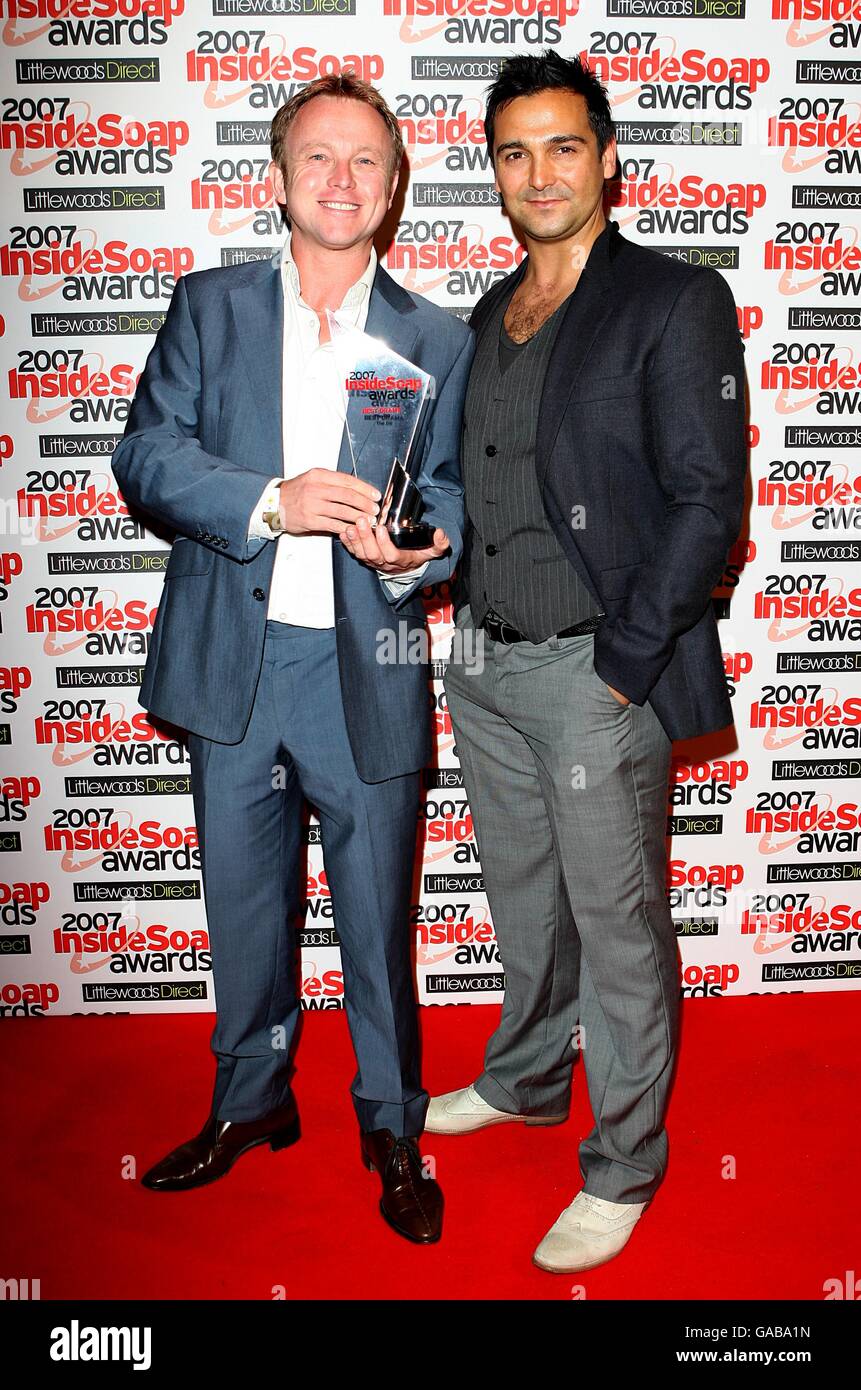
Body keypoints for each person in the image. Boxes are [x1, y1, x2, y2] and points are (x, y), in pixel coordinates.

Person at [111, 72, 474, 1245]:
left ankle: (391, 1126)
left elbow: (456, 497)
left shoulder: (436, 337)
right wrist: (271, 499)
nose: (341, 180)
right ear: (277, 179)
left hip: (362, 665)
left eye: (365, 160)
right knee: (245, 912)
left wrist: (419, 547)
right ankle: (251, 1103)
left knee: (377, 924)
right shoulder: (211, 308)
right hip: (237, 665)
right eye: (317, 157)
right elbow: (147, 455)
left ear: (394, 184)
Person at [426, 49, 747, 1272]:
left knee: (617, 925)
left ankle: (623, 1163)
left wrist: (624, 661)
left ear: (609, 158)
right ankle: (524, 1080)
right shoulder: (482, 317)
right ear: (495, 172)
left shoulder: (672, 299)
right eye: (515, 150)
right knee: (525, 905)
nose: (540, 171)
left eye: (565, 145)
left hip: (595, 672)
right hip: (487, 666)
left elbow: (708, 500)